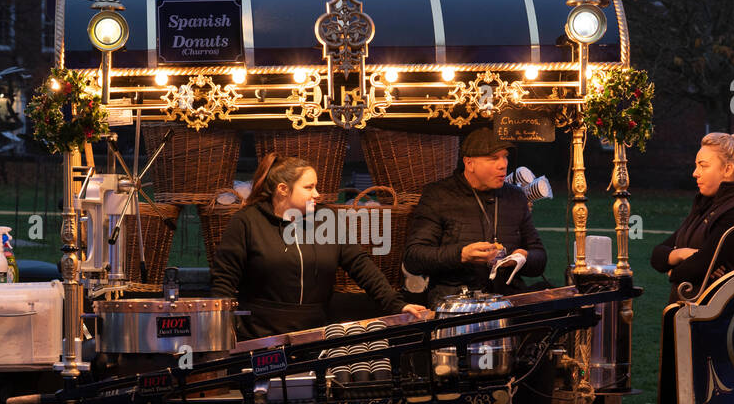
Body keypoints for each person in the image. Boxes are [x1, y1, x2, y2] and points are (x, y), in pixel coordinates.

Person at [211, 153, 425, 339]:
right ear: (283, 189)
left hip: (316, 333)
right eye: (309, 187)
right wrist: (219, 335)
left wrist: (398, 305)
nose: (317, 194)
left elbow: (361, 265)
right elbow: (224, 282)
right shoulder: (246, 222)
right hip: (259, 335)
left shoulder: (326, 218)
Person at [402, 127, 548, 306]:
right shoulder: (438, 195)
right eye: (493, 158)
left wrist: (523, 258)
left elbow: (539, 258)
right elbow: (413, 258)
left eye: (505, 157)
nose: (503, 164)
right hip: (455, 303)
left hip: (507, 300)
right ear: (469, 163)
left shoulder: (515, 197)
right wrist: (461, 254)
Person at [651, 127, 734, 303]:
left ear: (727, 169)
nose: (695, 173)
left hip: (712, 320)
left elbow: (697, 268)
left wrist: (674, 267)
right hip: (686, 314)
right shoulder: (705, 206)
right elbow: (656, 256)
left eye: (703, 165)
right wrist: (684, 254)